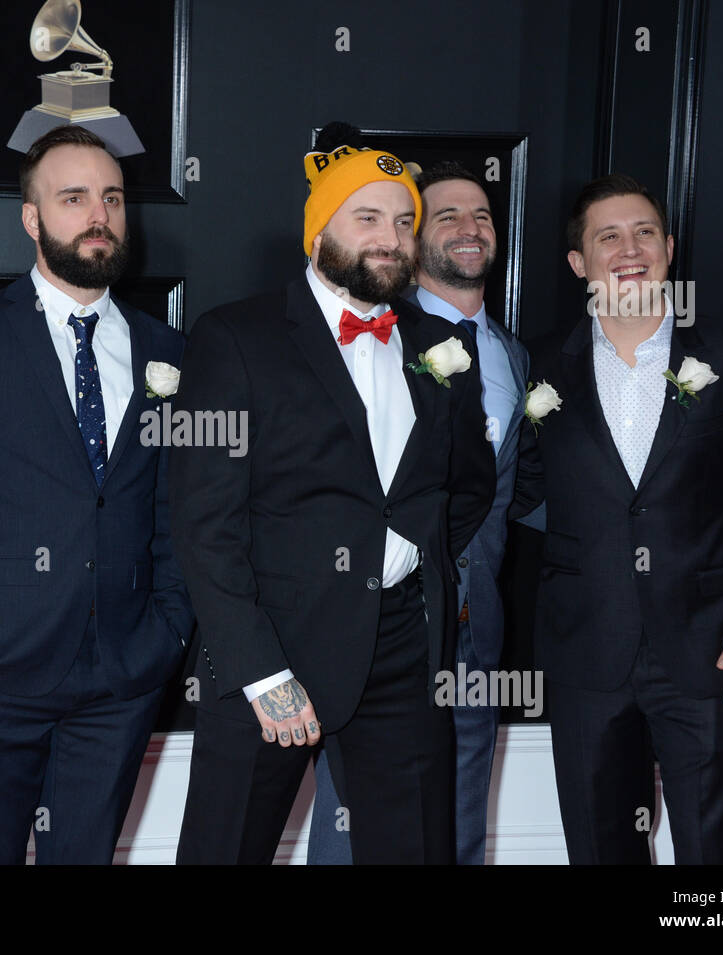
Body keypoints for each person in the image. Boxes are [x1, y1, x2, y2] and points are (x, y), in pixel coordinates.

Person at [170, 126, 495, 864]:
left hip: (403, 653)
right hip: (272, 649)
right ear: (319, 231)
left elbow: (467, 485)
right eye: (368, 217)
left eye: (405, 221)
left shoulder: (440, 346)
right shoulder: (234, 337)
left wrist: (412, 554)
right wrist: (259, 669)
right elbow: (202, 523)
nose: (391, 237)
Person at [0, 124, 193, 865]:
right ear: (32, 218)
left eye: (113, 198)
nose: (100, 215)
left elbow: (175, 510)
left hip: (121, 677)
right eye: (73, 198)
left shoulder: (167, 350)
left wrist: (165, 633)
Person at [519, 174, 723, 863]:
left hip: (711, 651)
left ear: (669, 247)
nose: (630, 248)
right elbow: (521, 492)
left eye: (644, 231)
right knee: (600, 846)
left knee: (715, 853)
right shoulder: (541, 365)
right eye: (607, 236)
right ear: (580, 263)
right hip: (586, 649)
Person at [308, 160, 537, 865]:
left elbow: (511, 494)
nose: (470, 230)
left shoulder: (513, 354)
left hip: (475, 636)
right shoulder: (372, 337)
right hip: (379, 628)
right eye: (445, 217)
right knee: (349, 829)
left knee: (458, 824)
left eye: (483, 216)